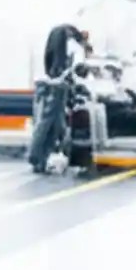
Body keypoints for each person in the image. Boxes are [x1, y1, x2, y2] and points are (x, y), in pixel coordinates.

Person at [28, 23, 91, 173]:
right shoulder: (73, 43)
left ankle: (41, 160)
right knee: (49, 124)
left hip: (44, 84)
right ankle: (36, 156)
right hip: (57, 86)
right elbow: (77, 69)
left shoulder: (56, 36)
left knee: (48, 123)